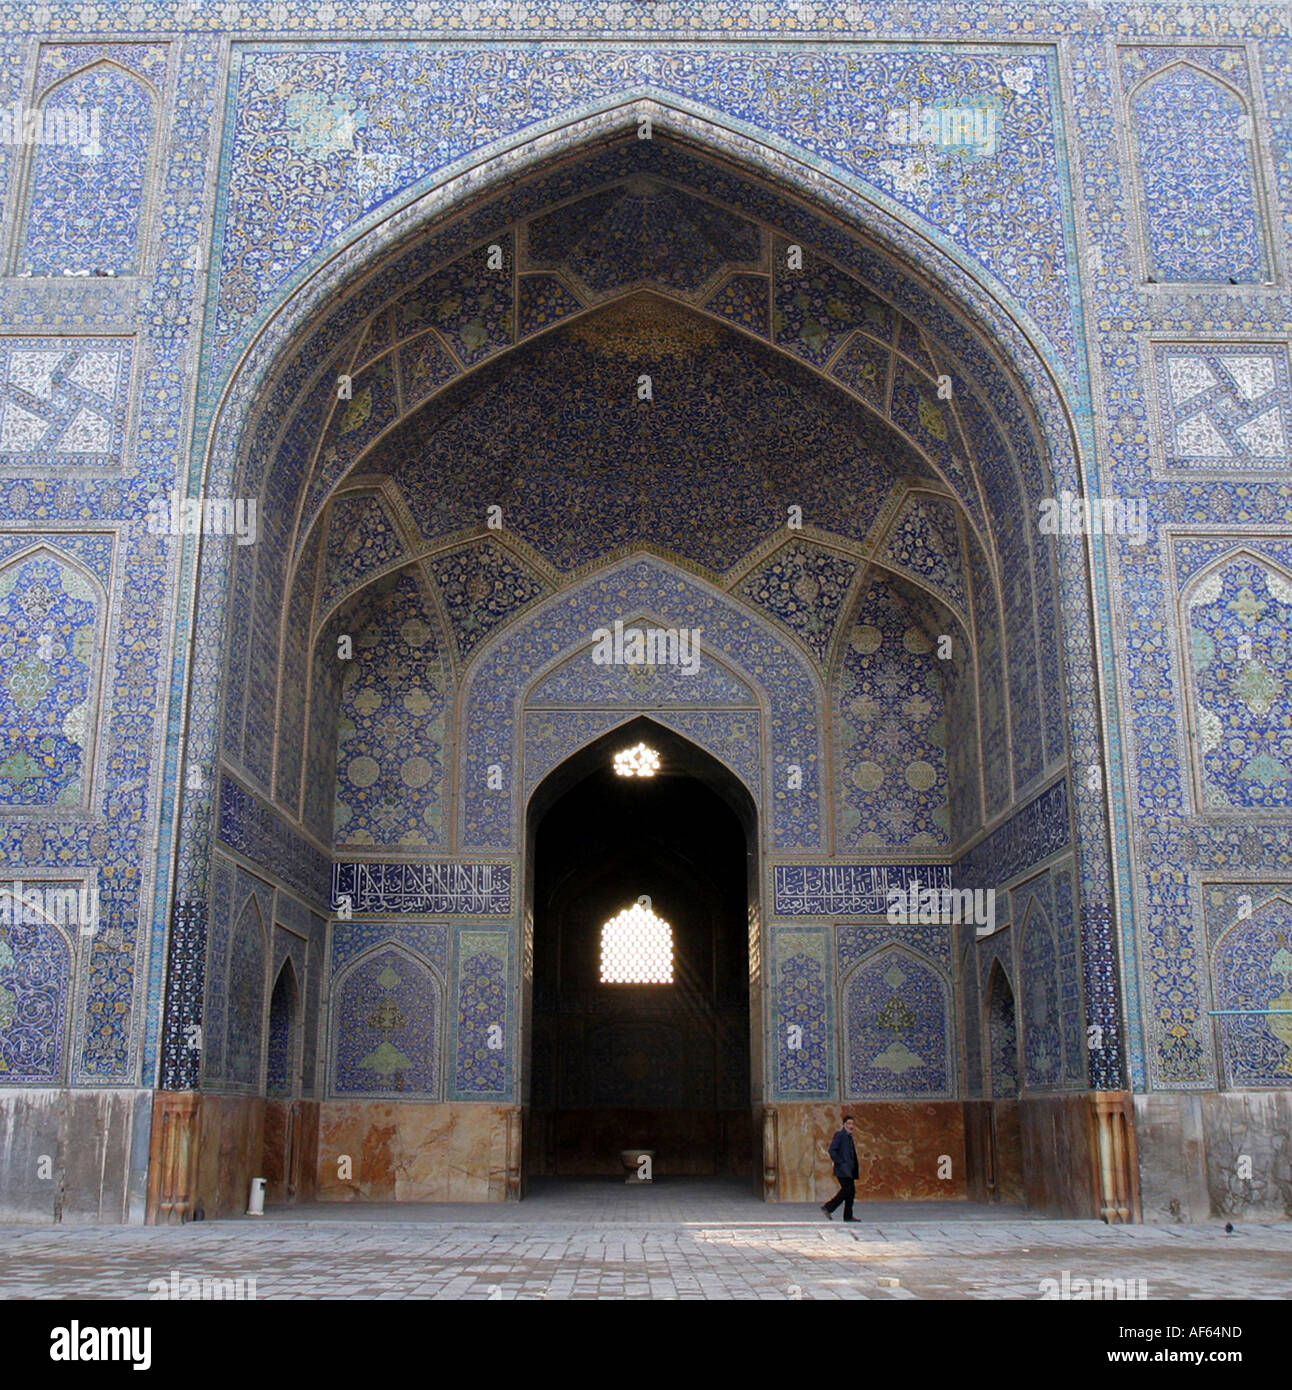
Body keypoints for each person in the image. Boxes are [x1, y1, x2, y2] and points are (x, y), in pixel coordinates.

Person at [821, 1115, 860, 1222]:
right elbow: (832, 1150)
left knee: (850, 1192)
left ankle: (847, 1216)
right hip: (843, 1170)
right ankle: (828, 1207)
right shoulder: (840, 1135)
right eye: (849, 1124)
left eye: (852, 1124)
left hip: (849, 1170)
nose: (851, 1126)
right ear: (844, 1125)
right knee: (847, 1190)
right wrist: (840, 1162)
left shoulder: (849, 1137)